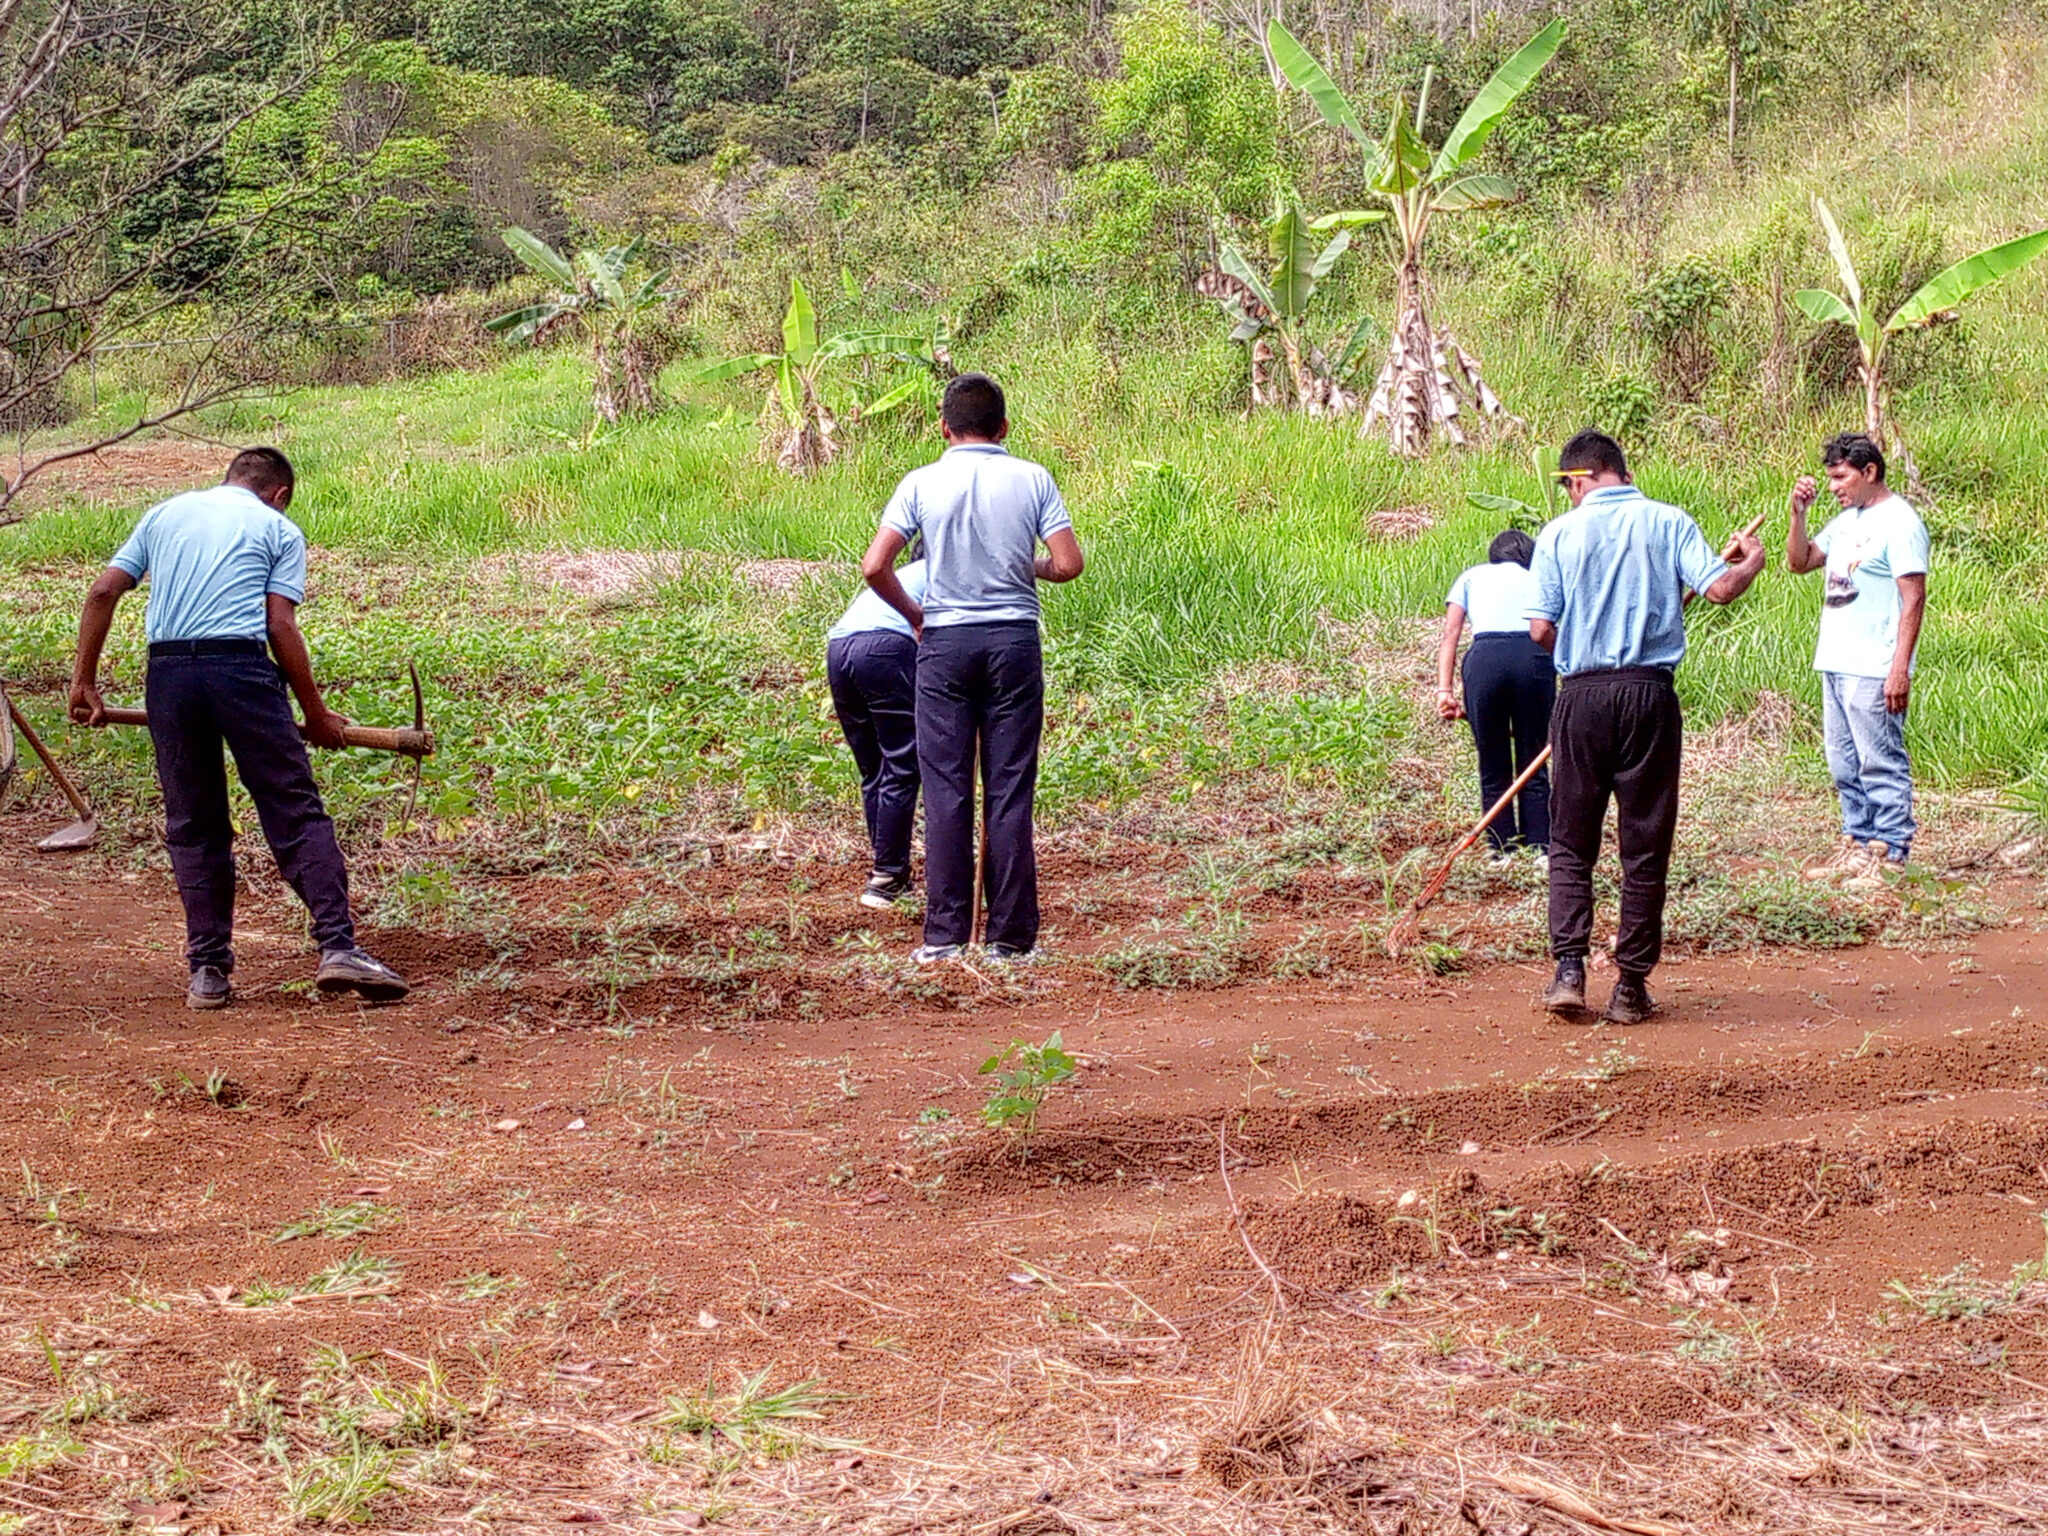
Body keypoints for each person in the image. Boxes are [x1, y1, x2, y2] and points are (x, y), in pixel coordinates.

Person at [68, 448, 409, 1010]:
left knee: (194, 821)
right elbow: (280, 623)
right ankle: (338, 946)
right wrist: (317, 713)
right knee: (293, 808)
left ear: (228, 479)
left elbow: (104, 590)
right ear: (278, 494)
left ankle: (207, 971)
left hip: (169, 675)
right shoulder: (278, 528)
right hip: (242, 671)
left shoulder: (164, 513)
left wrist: (84, 681)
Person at [1528, 429, 1765, 1024]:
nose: (1570, 496)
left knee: (1570, 842)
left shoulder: (1558, 534)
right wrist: (1754, 562)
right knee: (1645, 844)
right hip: (1649, 695)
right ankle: (1630, 987)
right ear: (1621, 472)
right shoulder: (1669, 521)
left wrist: (1583, 646)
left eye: (1569, 487)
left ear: (1581, 479)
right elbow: (1719, 588)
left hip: (1581, 697)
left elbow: (1539, 630)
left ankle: (1569, 971)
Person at [858, 373, 1085, 963]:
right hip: (1013, 642)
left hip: (944, 645)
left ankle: (944, 938)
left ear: (944, 428)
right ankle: (1010, 940)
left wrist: (914, 614)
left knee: (947, 790)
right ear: (1004, 427)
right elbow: (1068, 564)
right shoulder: (1033, 477)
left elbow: (875, 566)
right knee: (1009, 789)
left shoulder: (921, 482)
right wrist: (1020, 566)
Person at [1786, 432, 1928, 883]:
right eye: (1830, 478)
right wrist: (1798, 515)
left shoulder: (1900, 522)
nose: (1834, 486)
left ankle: (1890, 851)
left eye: (1841, 477)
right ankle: (1858, 841)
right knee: (1843, 761)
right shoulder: (1847, 520)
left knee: (1878, 758)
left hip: (1874, 663)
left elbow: (1914, 598)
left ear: (1869, 472)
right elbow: (1801, 560)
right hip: (1836, 659)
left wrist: (1899, 668)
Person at [1435, 528, 1554, 868]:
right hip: (1532, 656)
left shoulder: (1471, 577)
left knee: (1492, 758)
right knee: (1533, 754)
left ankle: (1501, 849)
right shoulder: (1537, 577)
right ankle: (1540, 848)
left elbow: (1450, 635)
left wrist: (1444, 690)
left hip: (1484, 660)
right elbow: (1550, 625)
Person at [827, 542, 928, 910]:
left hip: (840, 647)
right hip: (884, 647)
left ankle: (888, 871)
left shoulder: (903, 577)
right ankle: (887, 874)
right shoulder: (947, 576)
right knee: (903, 764)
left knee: (874, 768)